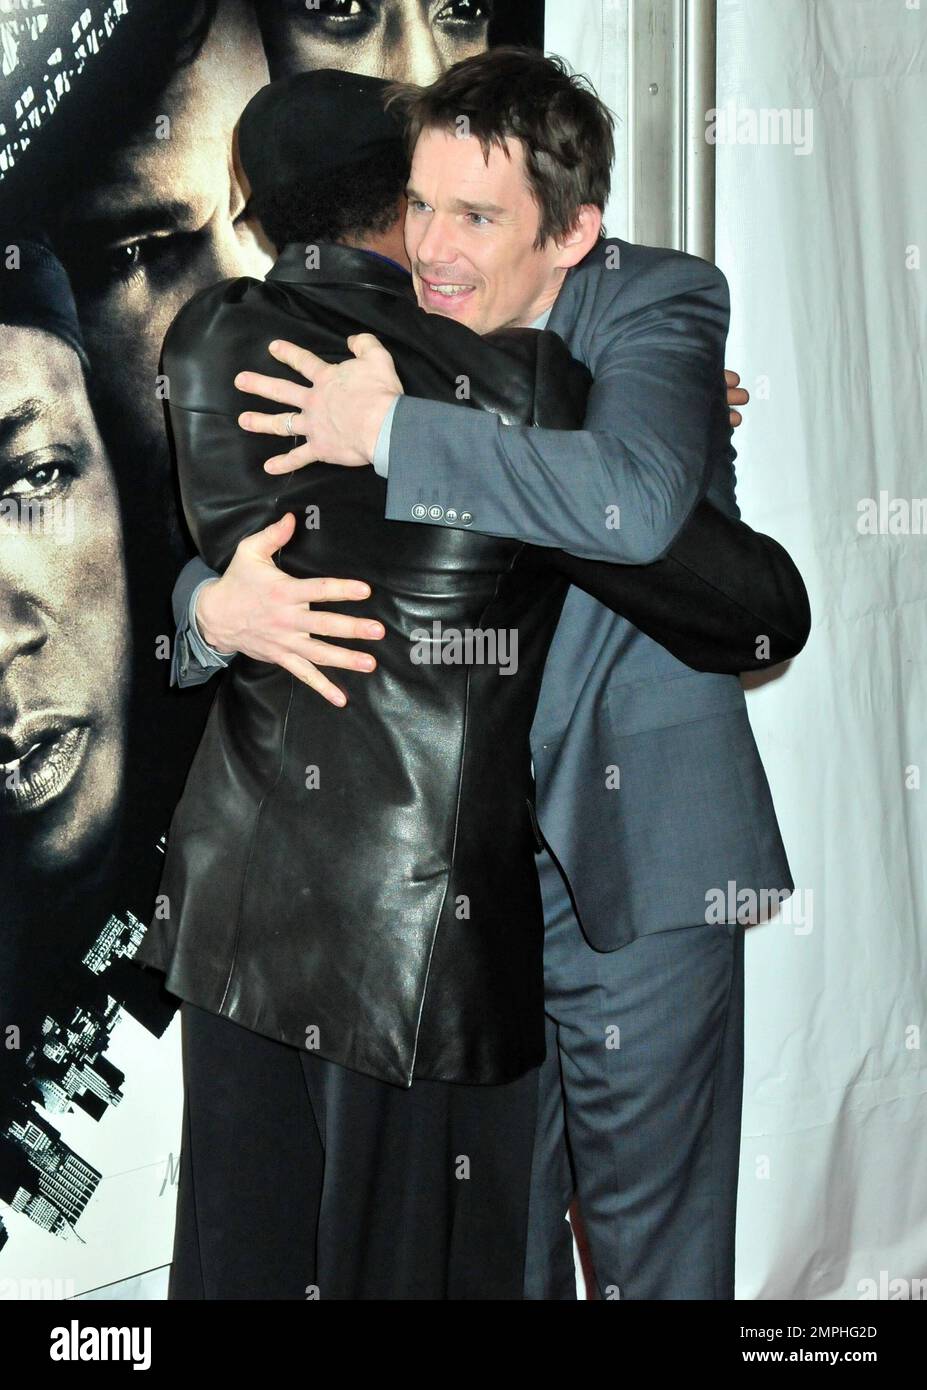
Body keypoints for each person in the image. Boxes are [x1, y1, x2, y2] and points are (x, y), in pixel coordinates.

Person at [135, 68, 808, 1300]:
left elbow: (658, 522)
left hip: (635, 854)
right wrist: (211, 611)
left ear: (570, 231)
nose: (435, 249)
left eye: (476, 218)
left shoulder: (648, 309)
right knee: (501, 1256)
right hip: (461, 892)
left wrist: (405, 432)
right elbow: (217, 543)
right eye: (421, 205)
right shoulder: (372, 333)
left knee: (653, 1253)